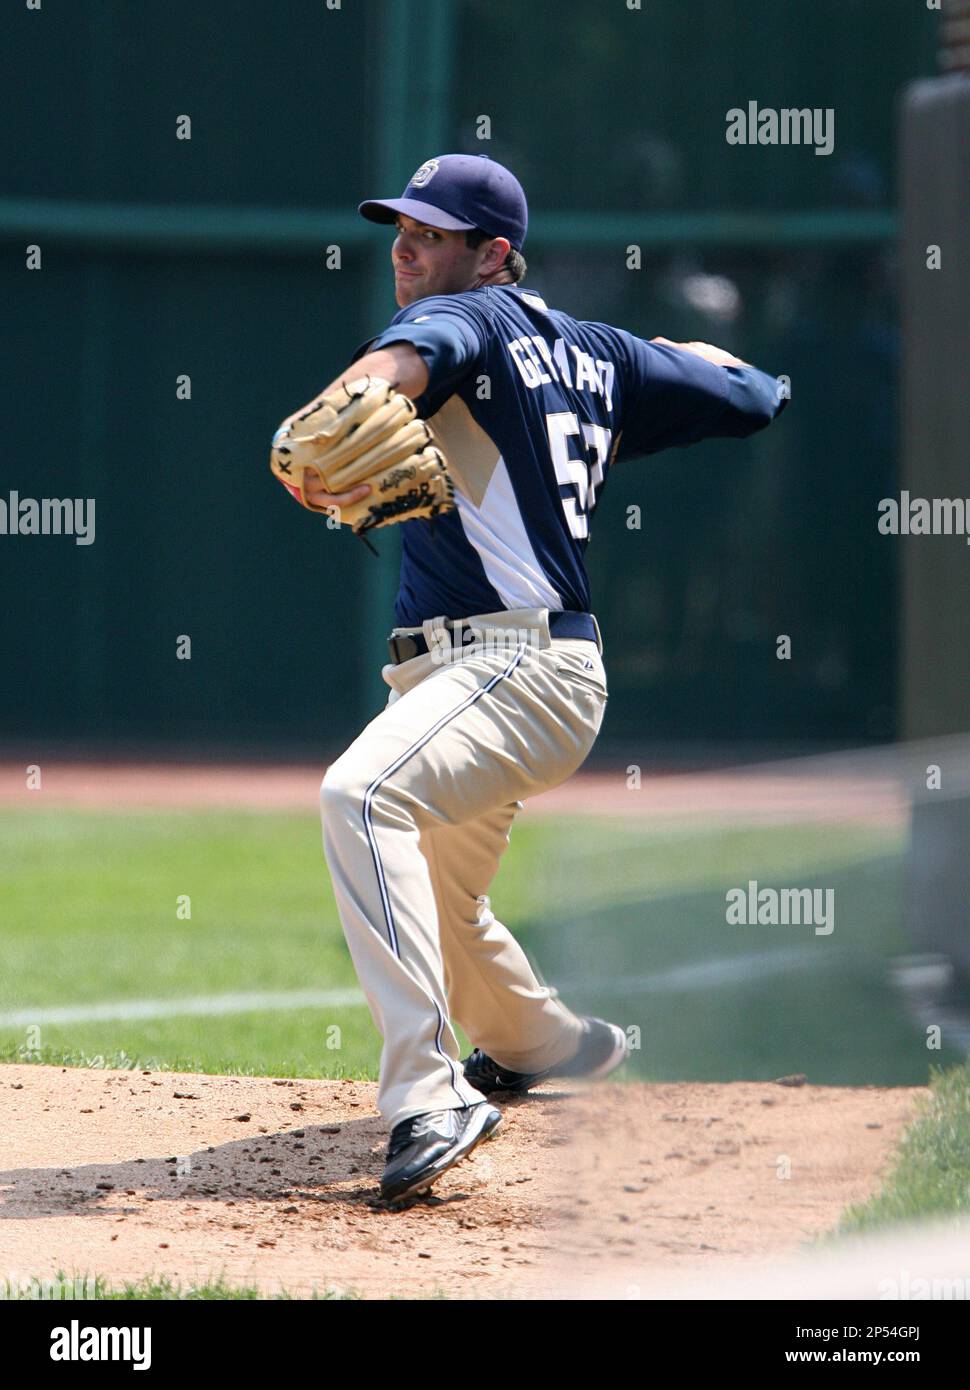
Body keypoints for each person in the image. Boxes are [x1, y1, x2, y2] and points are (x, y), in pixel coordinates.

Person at [274, 154, 788, 1204]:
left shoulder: (467, 320)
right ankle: (536, 1042)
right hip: (497, 675)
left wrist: (349, 397)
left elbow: (414, 358)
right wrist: (720, 363)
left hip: (512, 666)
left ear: (493, 255)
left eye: (433, 232)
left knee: (360, 796)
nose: (406, 248)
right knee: (444, 898)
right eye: (400, 227)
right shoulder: (594, 353)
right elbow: (742, 391)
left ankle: (428, 1095)